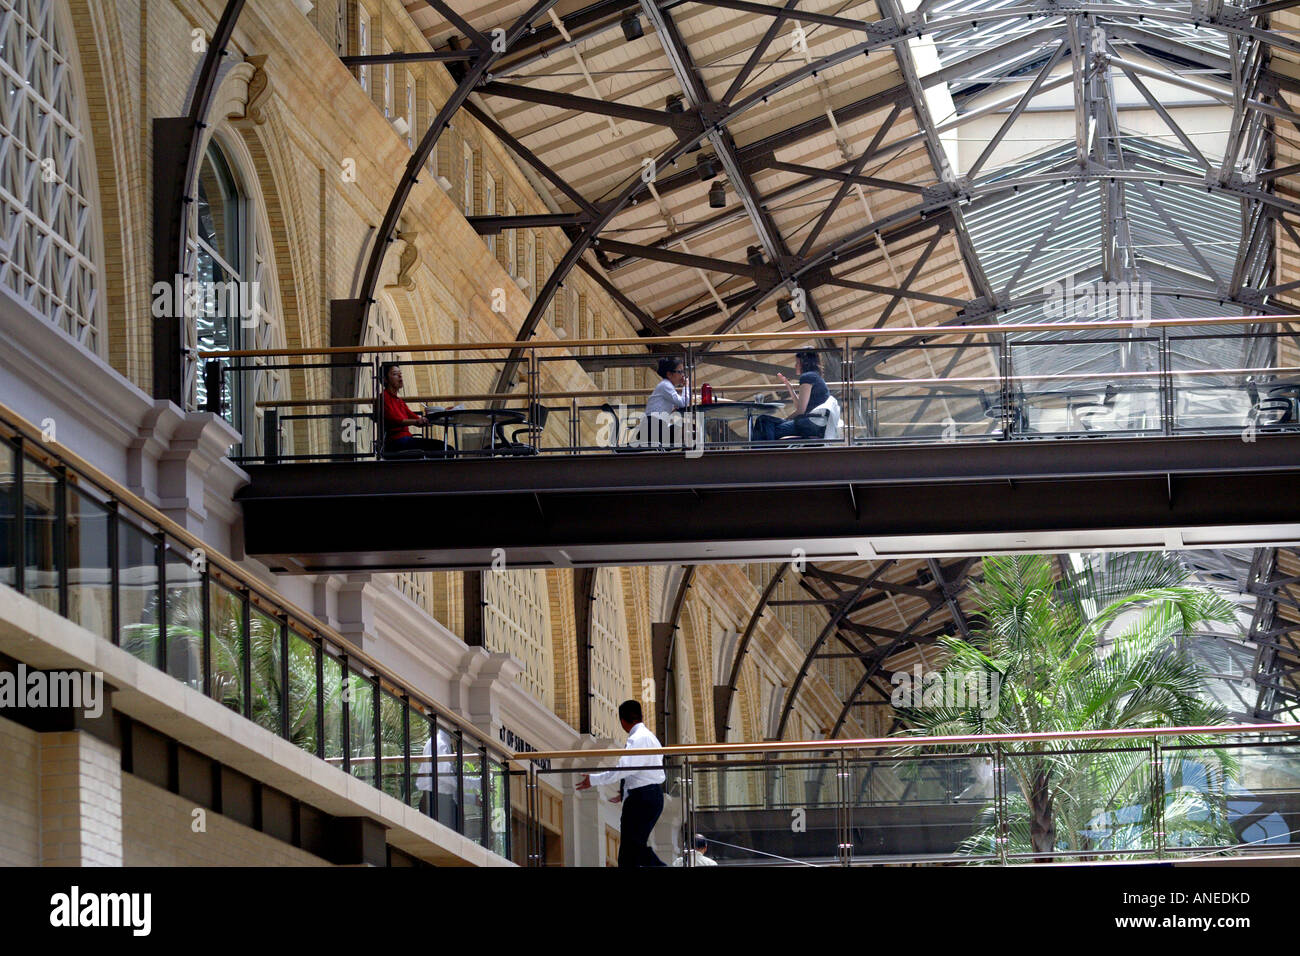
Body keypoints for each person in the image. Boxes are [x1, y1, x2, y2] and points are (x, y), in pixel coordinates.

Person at [575, 699, 668, 867]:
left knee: (629, 850)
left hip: (642, 798)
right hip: (651, 795)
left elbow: (624, 768)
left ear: (623, 721)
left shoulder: (638, 739)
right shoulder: (650, 737)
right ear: (641, 716)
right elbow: (644, 770)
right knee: (635, 847)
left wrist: (594, 779)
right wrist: (625, 791)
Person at [751, 350, 830, 443]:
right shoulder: (815, 377)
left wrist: (785, 420)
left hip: (809, 425)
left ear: (804, 363)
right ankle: (767, 452)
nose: (795, 365)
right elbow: (800, 407)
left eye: (797, 362)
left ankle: (767, 454)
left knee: (765, 427)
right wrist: (790, 388)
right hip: (816, 425)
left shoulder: (807, 377)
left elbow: (801, 410)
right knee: (763, 420)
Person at [379, 362, 450, 456]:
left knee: (446, 448)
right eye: (395, 374)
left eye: (400, 373)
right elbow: (394, 420)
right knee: (445, 449)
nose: (400, 376)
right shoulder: (384, 397)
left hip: (405, 439)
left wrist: (443, 412)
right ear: (385, 379)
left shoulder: (399, 400)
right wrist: (416, 421)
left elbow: (415, 418)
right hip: (395, 442)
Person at [640, 356, 689, 447]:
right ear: (669, 374)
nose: (682, 375)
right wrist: (686, 386)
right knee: (683, 427)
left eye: (683, 372)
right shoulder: (666, 386)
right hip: (653, 427)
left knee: (681, 426)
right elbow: (684, 403)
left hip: (656, 425)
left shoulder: (667, 386)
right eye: (679, 372)